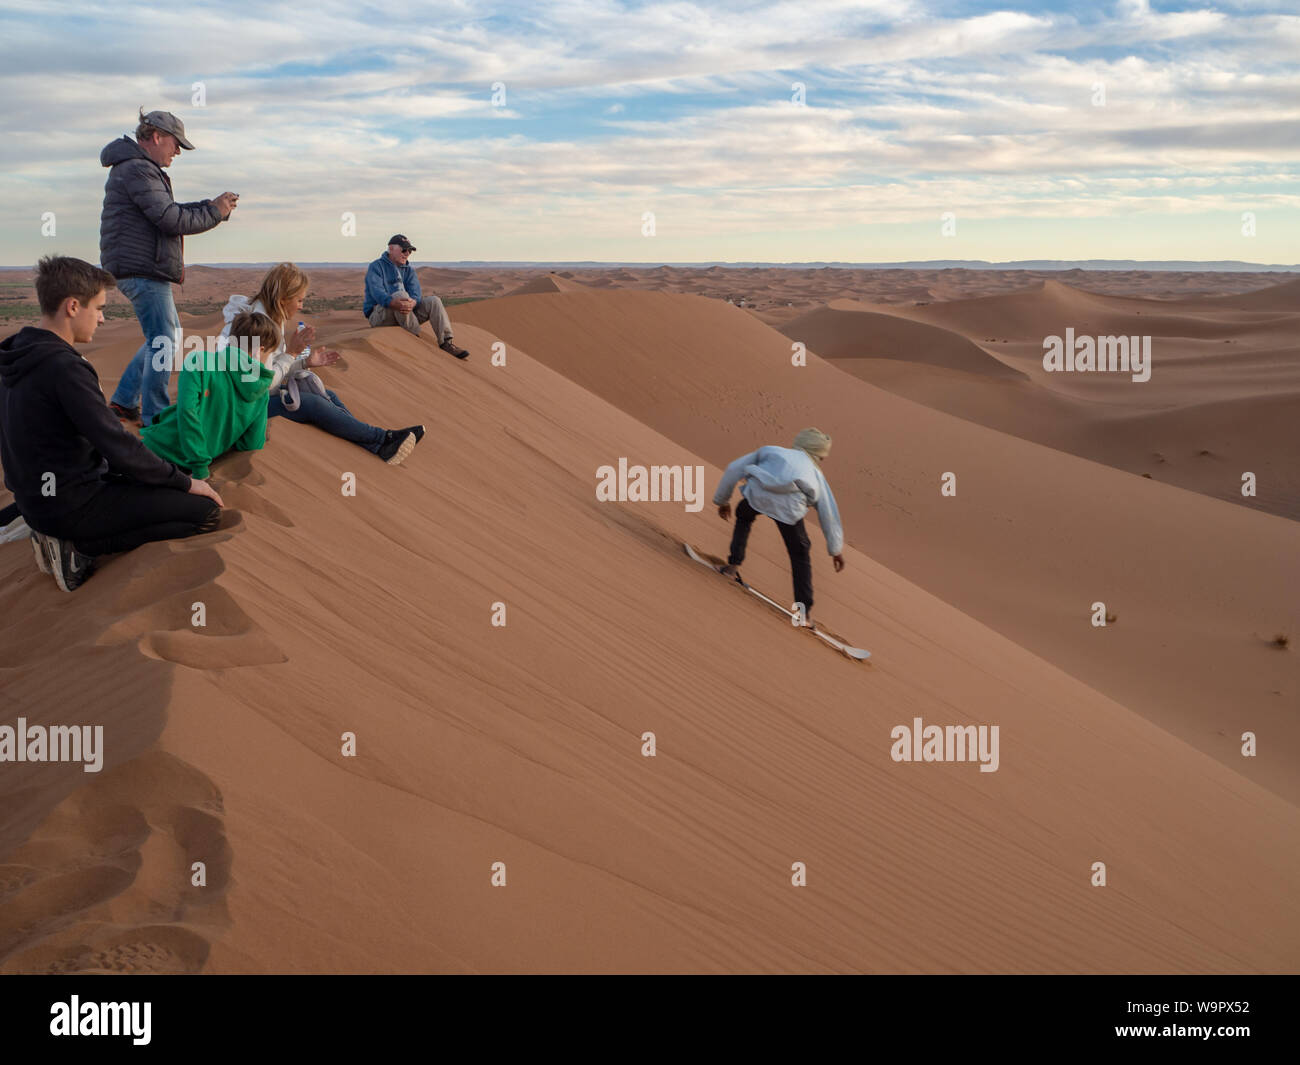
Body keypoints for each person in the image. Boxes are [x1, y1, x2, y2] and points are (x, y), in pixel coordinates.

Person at [0, 256, 224, 593]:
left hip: (37, 498)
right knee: (204, 512)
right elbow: (117, 444)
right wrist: (183, 483)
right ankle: (79, 548)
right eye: (99, 308)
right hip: (71, 505)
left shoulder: (16, 353)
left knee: (160, 477)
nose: (103, 319)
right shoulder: (64, 369)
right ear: (73, 307)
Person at [100, 108, 238, 426]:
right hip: (141, 270)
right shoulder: (138, 169)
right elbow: (170, 219)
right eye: (176, 144)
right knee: (163, 341)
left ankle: (123, 401)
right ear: (157, 137)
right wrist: (214, 212)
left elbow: (168, 210)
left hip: (140, 267)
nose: (177, 151)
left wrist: (213, 207)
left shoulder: (138, 168)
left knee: (164, 337)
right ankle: (156, 418)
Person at [220, 263, 425, 465]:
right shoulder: (258, 326)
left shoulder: (270, 317)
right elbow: (261, 384)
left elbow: (270, 370)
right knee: (311, 403)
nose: (301, 306)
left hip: (252, 400)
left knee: (328, 396)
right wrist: (291, 353)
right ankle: (381, 439)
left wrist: (305, 362)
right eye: (299, 300)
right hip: (239, 410)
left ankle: (376, 444)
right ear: (283, 299)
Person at [713, 428, 845, 623]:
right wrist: (835, 549)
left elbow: (734, 468)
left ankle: (731, 567)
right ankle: (803, 613)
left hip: (758, 495)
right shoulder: (816, 474)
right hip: (789, 509)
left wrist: (723, 501)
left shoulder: (771, 450)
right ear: (816, 453)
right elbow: (828, 511)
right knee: (800, 552)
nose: (822, 460)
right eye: (822, 456)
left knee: (743, 514)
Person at [141, 310, 278, 479]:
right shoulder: (261, 393)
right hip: (181, 467)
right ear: (259, 350)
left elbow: (187, 412)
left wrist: (199, 466)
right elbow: (251, 444)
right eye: (270, 353)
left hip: (155, 450)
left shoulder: (198, 361)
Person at [363, 235, 469, 359]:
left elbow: (416, 294)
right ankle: (416, 340)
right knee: (400, 295)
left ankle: (446, 342)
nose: (407, 253)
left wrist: (412, 303)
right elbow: (377, 293)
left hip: (405, 314)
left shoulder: (409, 271)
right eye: (404, 250)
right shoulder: (376, 266)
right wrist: (393, 302)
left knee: (434, 301)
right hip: (381, 316)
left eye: (410, 251)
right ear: (391, 248)